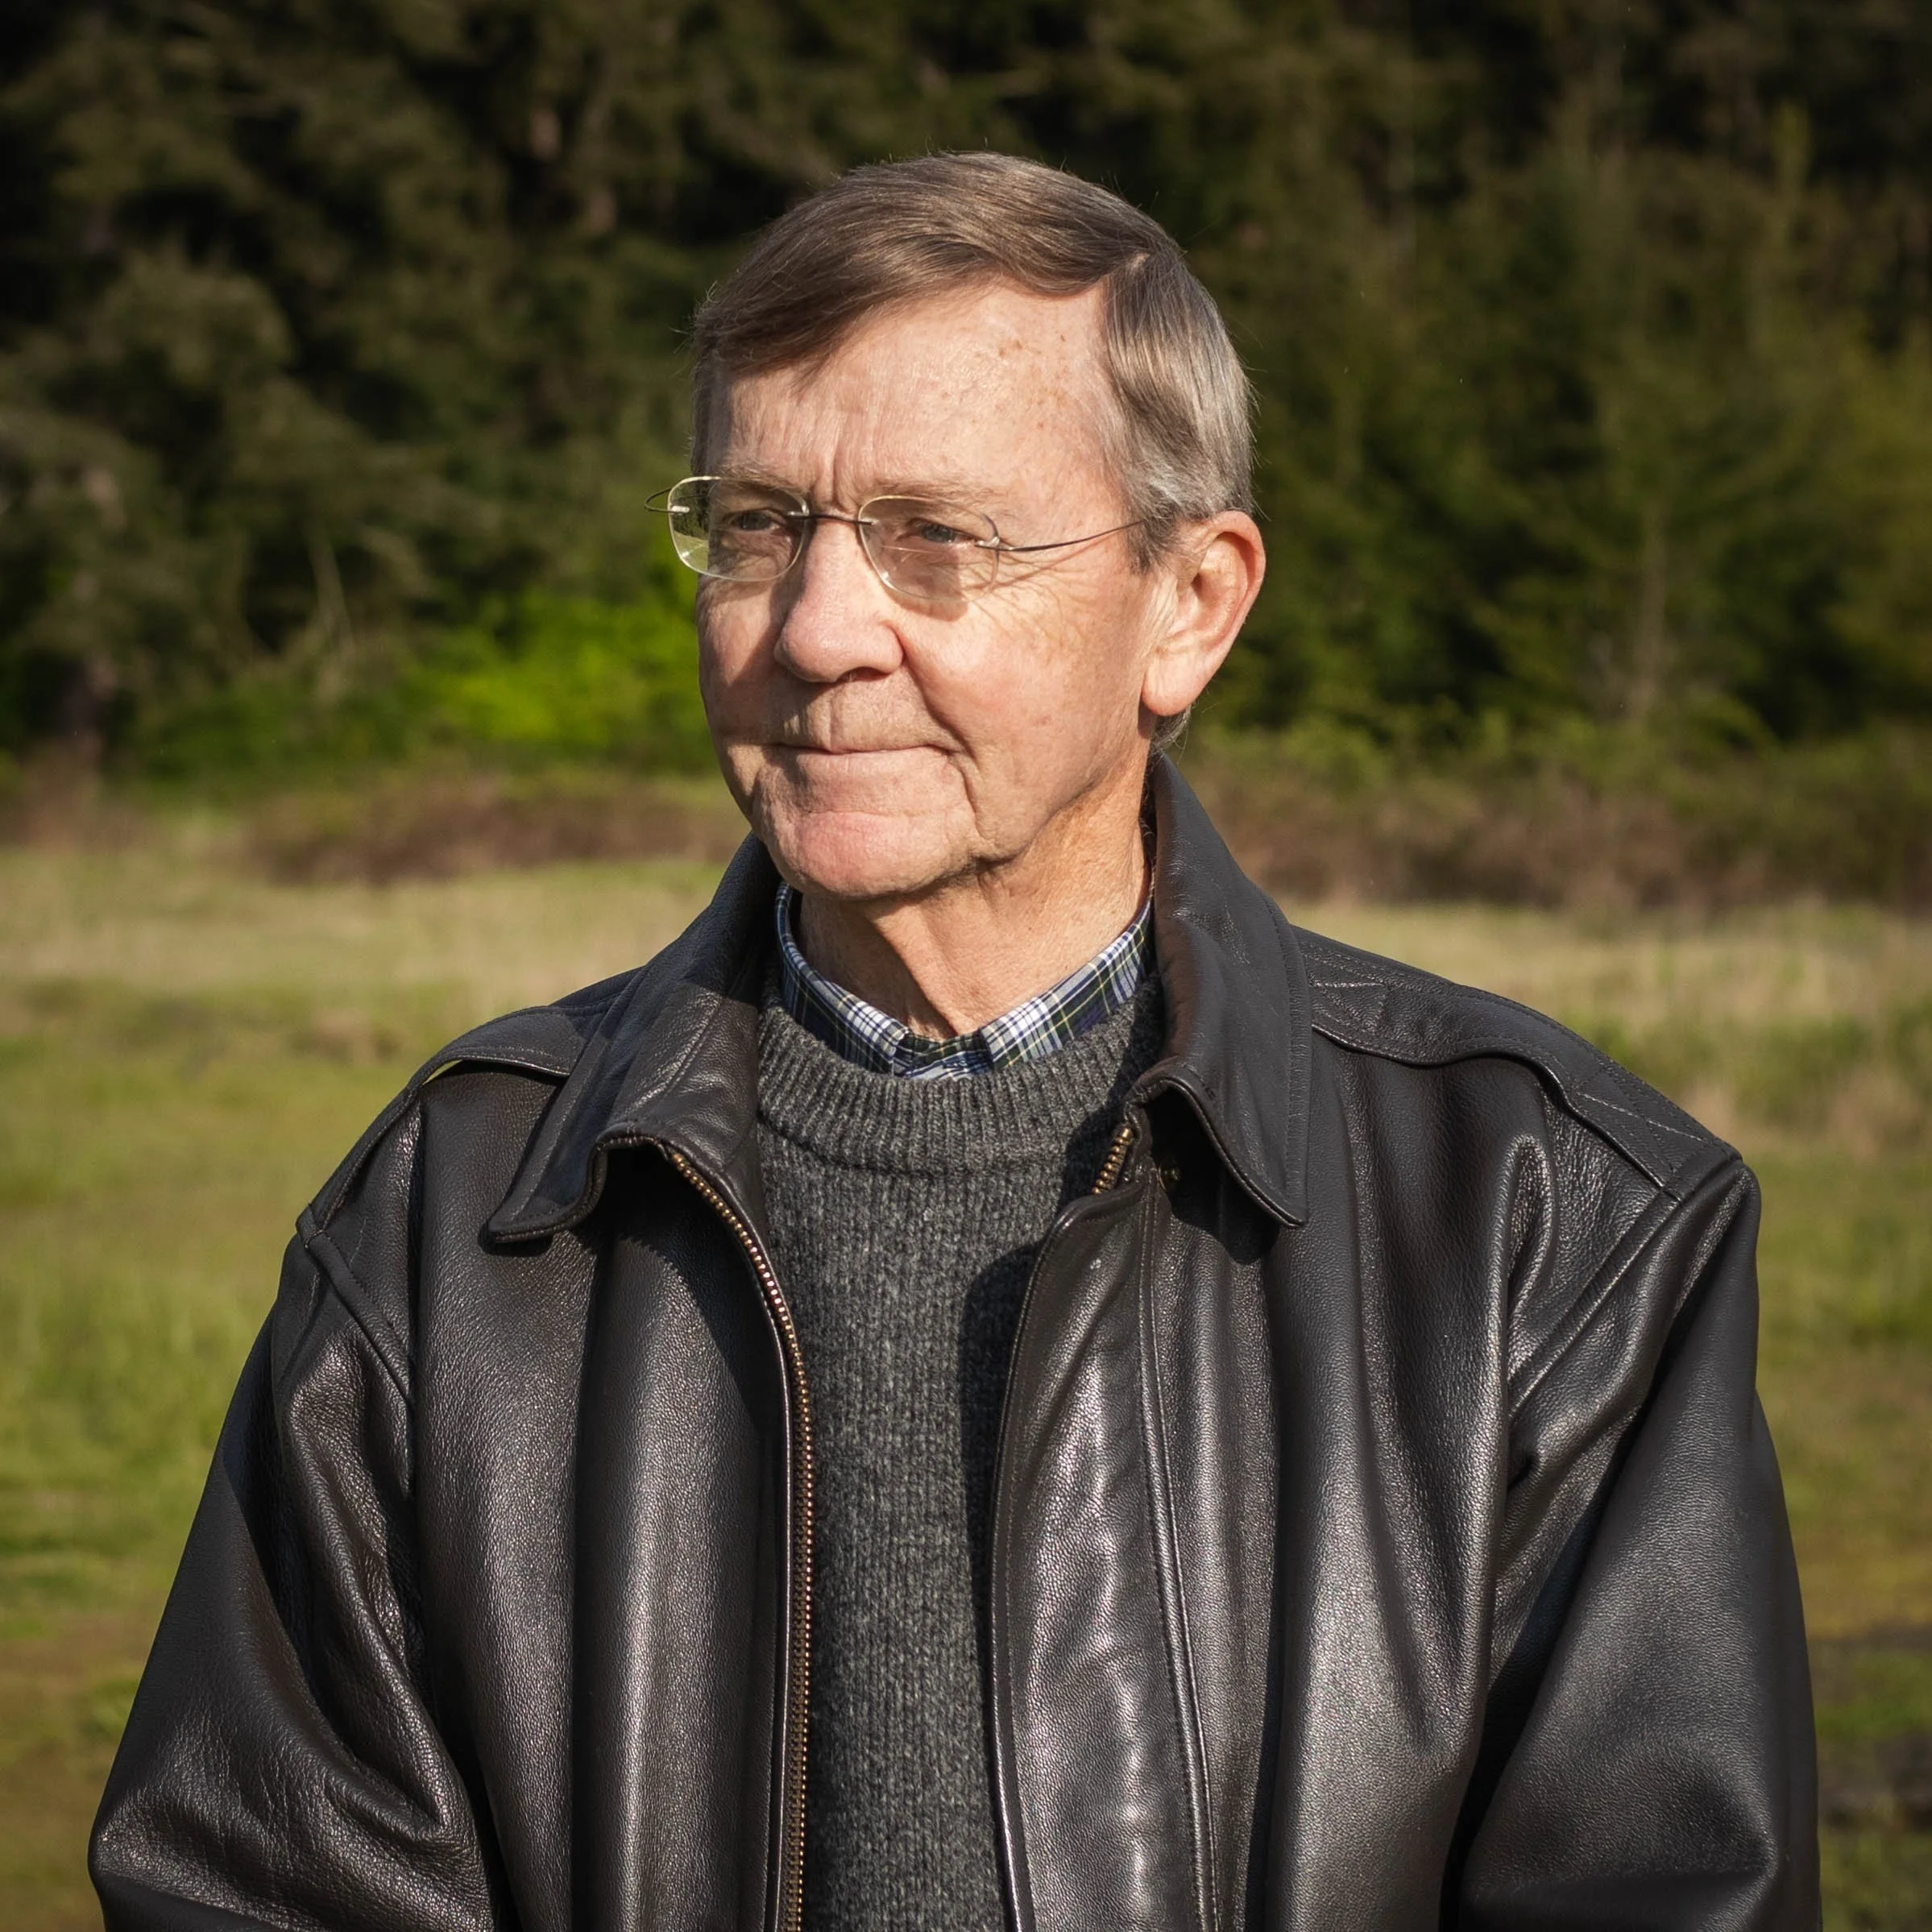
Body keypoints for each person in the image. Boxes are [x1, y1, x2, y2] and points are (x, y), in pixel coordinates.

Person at [90, 152, 1817, 1931]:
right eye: (758, 526)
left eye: (937, 537)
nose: (816, 630)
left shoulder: (1551, 1225)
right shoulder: (451, 1219)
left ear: (1189, 604)